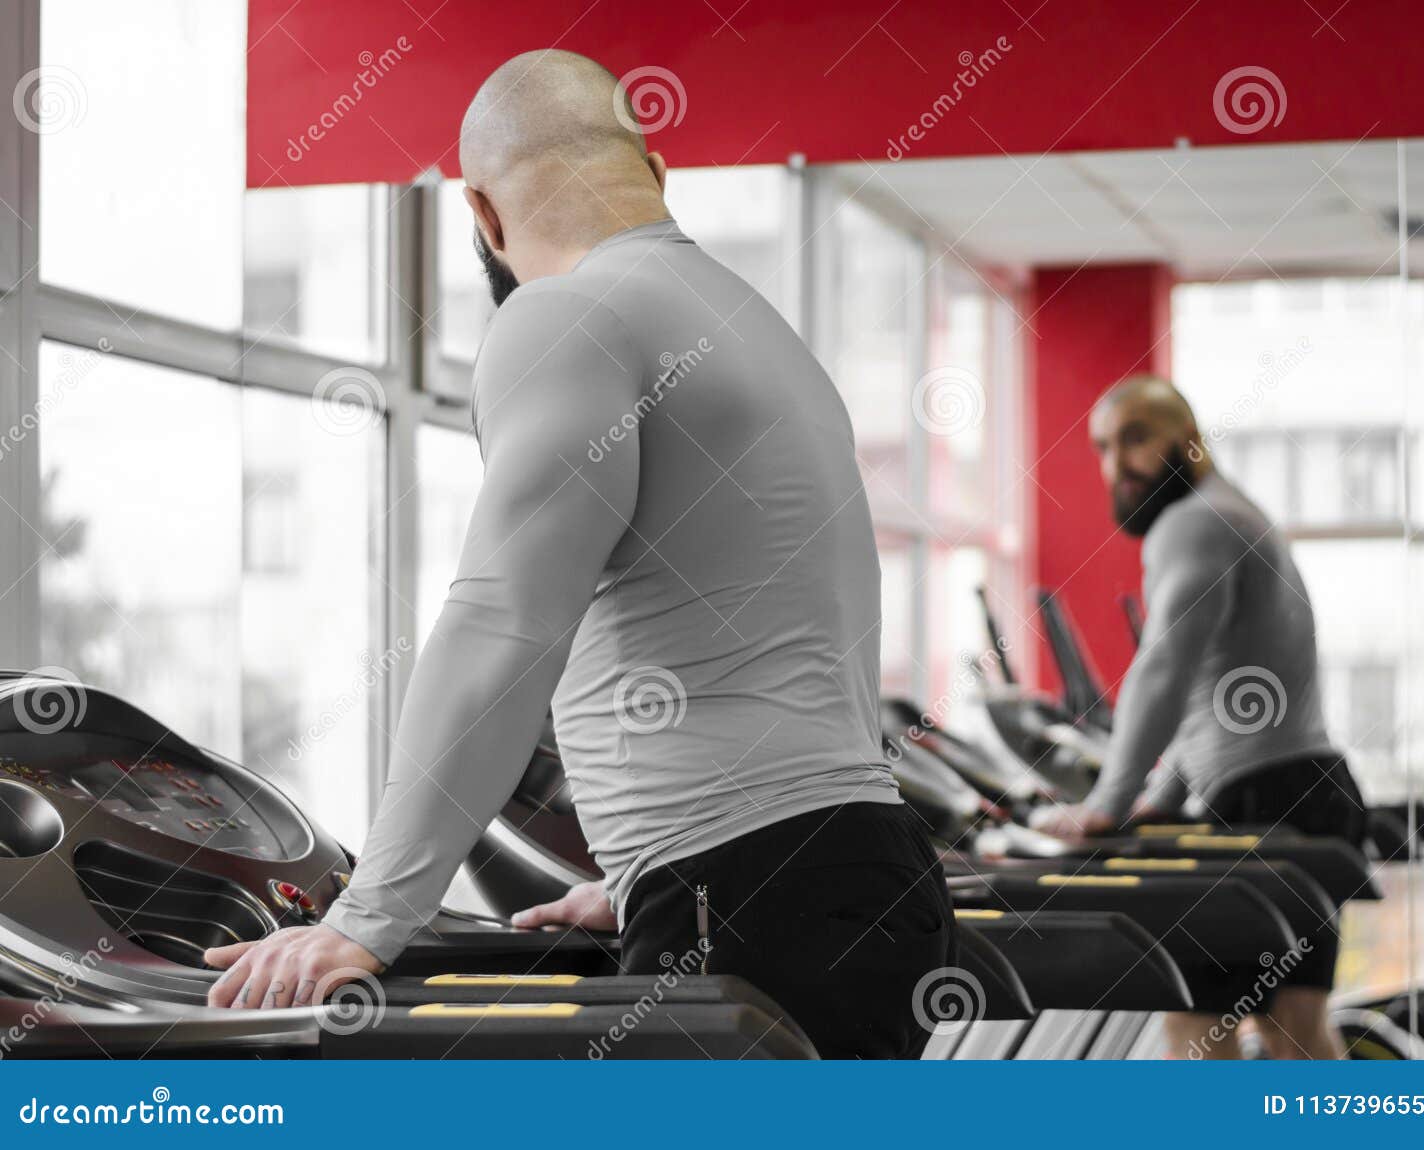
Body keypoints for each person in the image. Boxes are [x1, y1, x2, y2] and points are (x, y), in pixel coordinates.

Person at [204, 49, 954, 1059]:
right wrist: (654, 875)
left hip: (753, 899)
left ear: (481, 211)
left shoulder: (561, 313)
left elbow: (503, 620)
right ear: (652, 170)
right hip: (861, 871)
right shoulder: (755, 328)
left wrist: (365, 914)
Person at [1031, 375, 1364, 1060]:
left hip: (1262, 798)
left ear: (1186, 440)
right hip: (1309, 790)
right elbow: (1211, 690)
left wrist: (1107, 802)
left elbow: (1167, 663)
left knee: (1194, 1028)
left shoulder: (1193, 523)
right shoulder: (1232, 514)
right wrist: (1160, 797)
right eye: (1101, 447)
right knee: (1292, 1028)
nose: (1114, 465)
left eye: (1135, 439)